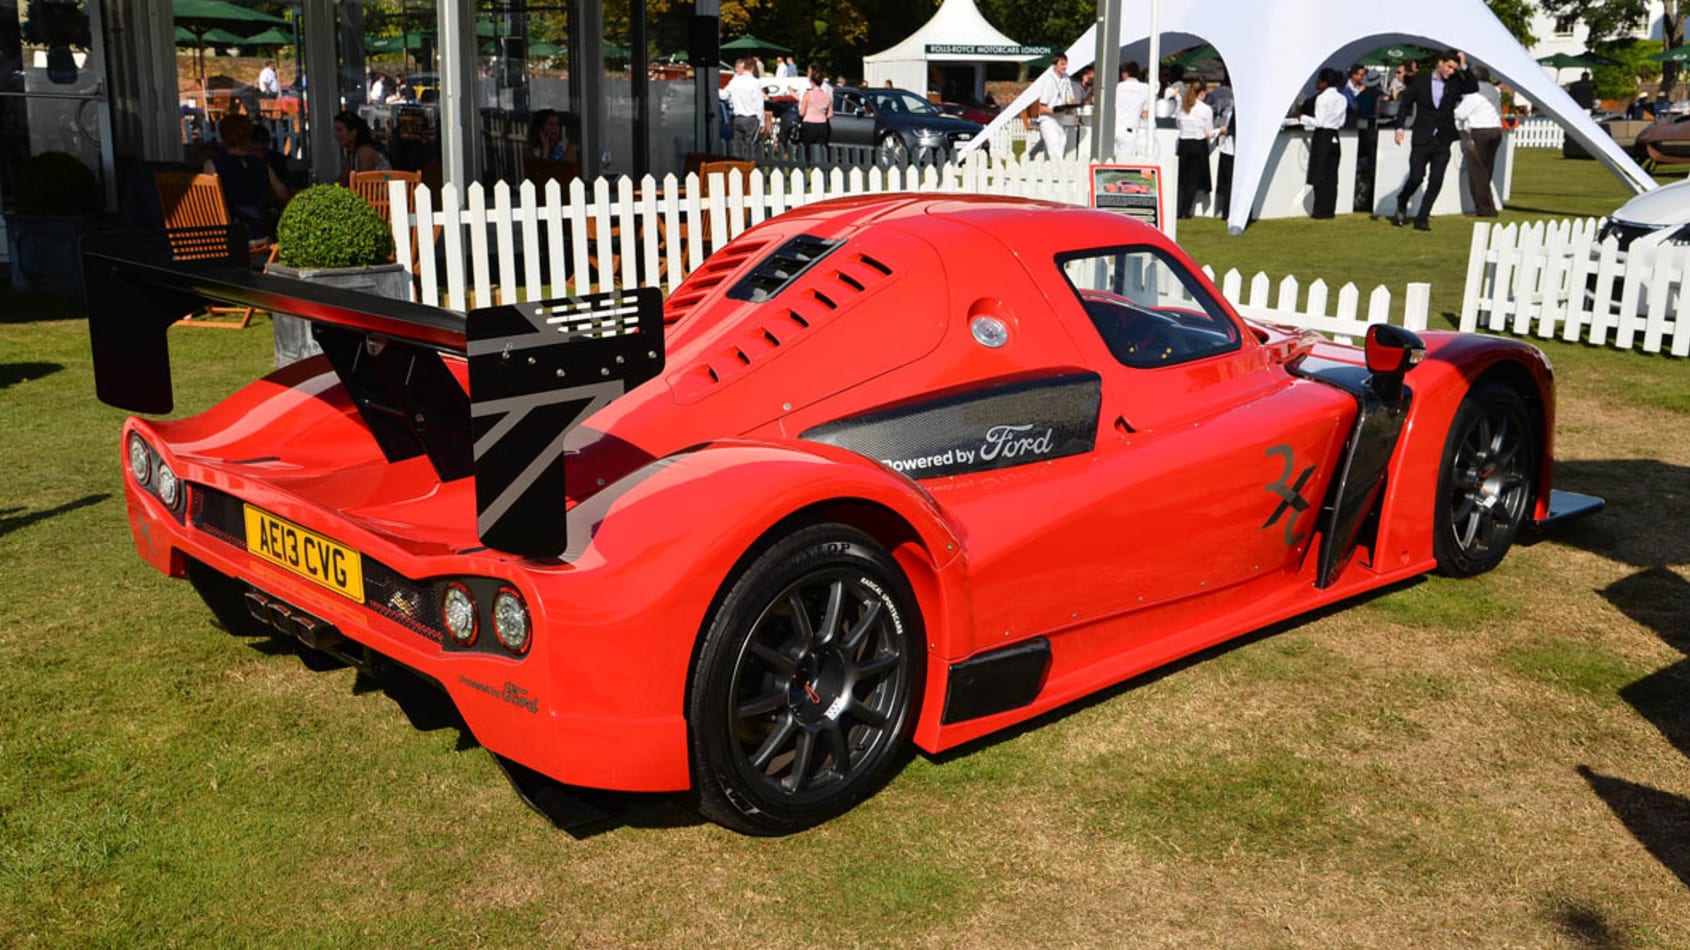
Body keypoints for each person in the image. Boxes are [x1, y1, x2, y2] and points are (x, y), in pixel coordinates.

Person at [1390, 49, 1476, 231]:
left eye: (1454, 68)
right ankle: (1402, 200)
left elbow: (1472, 86)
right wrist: (1399, 128)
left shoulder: (1455, 81)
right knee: (1416, 177)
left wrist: (1464, 65)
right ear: (1440, 63)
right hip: (1422, 136)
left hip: (1443, 138)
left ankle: (1422, 217)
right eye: (1449, 67)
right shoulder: (1420, 80)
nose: (1451, 72)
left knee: (1436, 179)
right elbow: (1405, 104)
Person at [203, 114, 288, 243]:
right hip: (260, 232)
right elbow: (282, 193)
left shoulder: (214, 165)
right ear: (248, 136)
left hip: (230, 234)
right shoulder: (261, 163)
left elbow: (209, 204)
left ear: (223, 136)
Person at [1457, 65, 1503, 217]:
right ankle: (1489, 207)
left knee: (1477, 173)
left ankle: (1483, 209)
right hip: (1496, 131)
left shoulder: (1474, 93)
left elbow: (1460, 113)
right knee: (1486, 171)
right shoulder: (1495, 91)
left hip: (1480, 132)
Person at [1302, 68, 1346, 219]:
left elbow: (1319, 122)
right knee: (1332, 175)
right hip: (1335, 135)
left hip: (1323, 136)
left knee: (1319, 173)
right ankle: (1329, 209)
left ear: (1324, 82)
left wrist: (1303, 118)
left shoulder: (1322, 98)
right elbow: (1342, 121)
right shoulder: (1342, 98)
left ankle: (1320, 210)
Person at [1175, 79, 1214, 219]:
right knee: (1192, 180)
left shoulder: (1182, 106)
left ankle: (1180, 209)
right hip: (1198, 144)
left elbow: (1178, 124)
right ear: (1202, 93)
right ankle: (1185, 210)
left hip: (1184, 143)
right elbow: (1208, 131)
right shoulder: (1205, 109)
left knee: (1183, 179)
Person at [1030, 53, 1077, 160]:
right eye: (1062, 64)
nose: (1065, 67)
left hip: (1060, 118)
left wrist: (1071, 104)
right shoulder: (1048, 81)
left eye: (1066, 64)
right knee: (1054, 147)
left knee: (1061, 145)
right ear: (1054, 65)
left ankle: (1052, 172)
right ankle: (1056, 173)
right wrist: (1055, 110)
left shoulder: (1066, 78)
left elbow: (1070, 98)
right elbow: (1041, 108)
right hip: (1048, 119)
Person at [718, 58, 765, 156]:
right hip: (751, 118)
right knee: (750, 147)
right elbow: (759, 104)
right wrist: (762, 122)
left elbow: (723, 95)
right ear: (753, 68)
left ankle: (738, 167)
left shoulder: (735, 81)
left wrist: (714, 88)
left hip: (737, 118)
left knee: (737, 147)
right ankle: (749, 167)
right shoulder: (755, 82)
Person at [333, 111, 389, 184]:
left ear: (354, 132)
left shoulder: (365, 152)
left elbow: (363, 184)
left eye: (339, 130)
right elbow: (342, 181)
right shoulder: (352, 154)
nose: (336, 135)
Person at [1113, 60, 1153, 161]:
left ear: (1125, 73)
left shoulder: (1116, 87)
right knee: (1125, 165)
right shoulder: (1145, 89)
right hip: (1128, 131)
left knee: (1109, 164)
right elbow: (1145, 113)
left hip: (1112, 129)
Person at [1209, 75, 1236, 219]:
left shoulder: (1230, 110)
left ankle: (1226, 212)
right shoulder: (1234, 111)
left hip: (1228, 149)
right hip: (1230, 150)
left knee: (1226, 184)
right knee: (1229, 184)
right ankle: (1227, 212)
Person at [797, 66, 833, 154]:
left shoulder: (808, 94)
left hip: (809, 124)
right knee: (821, 150)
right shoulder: (827, 96)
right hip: (822, 125)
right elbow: (830, 115)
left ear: (812, 81)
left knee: (806, 150)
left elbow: (802, 112)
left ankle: (808, 165)